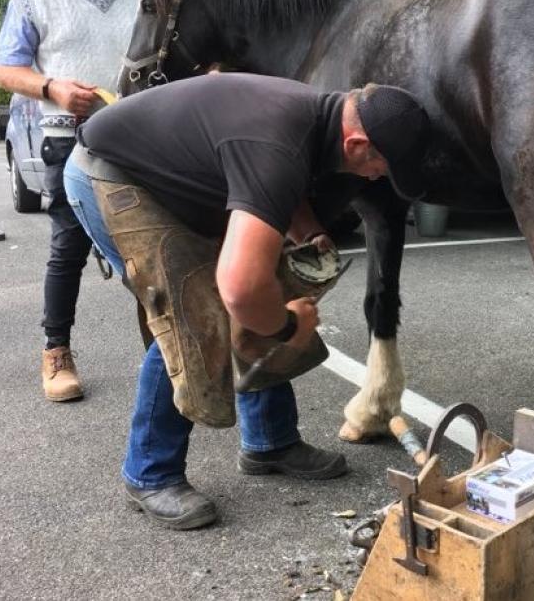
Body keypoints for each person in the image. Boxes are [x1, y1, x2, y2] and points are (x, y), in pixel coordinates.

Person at [64, 72, 433, 529]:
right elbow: (240, 286)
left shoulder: (317, 118)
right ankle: (149, 473)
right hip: (113, 178)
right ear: (357, 144)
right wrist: (284, 326)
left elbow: (280, 183)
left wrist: (309, 232)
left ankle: (269, 442)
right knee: (190, 319)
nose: (380, 177)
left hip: (177, 179)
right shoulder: (279, 144)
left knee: (268, 285)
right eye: (384, 168)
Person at [0, 0, 143, 402]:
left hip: (142, 138)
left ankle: (162, 348)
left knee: (153, 245)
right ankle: (56, 351)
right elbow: (6, 70)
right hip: (67, 136)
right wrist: (52, 86)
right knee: (69, 245)